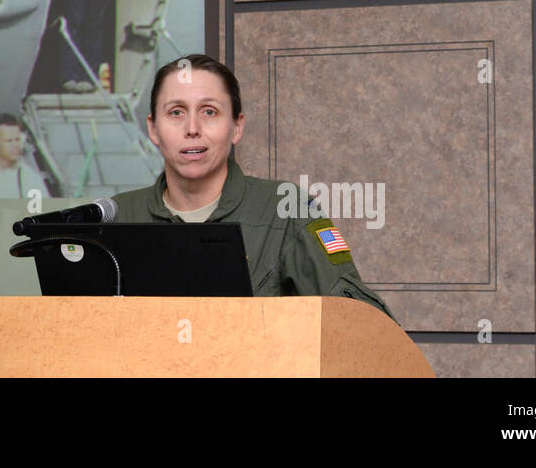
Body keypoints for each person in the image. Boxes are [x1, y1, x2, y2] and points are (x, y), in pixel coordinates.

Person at [111, 54, 395, 320]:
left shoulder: (285, 209)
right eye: (176, 112)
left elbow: (362, 323)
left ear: (237, 127)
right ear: (152, 129)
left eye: (209, 112)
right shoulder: (116, 216)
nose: (192, 128)